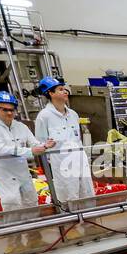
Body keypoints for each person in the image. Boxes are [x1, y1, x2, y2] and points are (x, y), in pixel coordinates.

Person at [0, 90, 55, 250]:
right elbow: (0, 148)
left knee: (31, 203)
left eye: (11, 109)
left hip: (22, 171)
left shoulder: (20, 126)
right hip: (3, 173)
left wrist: (44, 145)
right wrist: (30, 152)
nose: (9, 113)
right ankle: (14, 243)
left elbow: (33, 143)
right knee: (11, 203)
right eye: (4, 109)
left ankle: (35, 239)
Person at [34, 76, 95, 208]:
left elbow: (76, 138)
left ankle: (91, 223)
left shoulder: (73, 114)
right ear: (50, 93)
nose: (65, 91)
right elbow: (40, 143)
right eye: (60, 89)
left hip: (80, 159)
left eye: (65, 89)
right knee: (69, 195)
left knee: (87, 192)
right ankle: (73, 225)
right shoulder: (44, 116)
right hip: (62, 163)